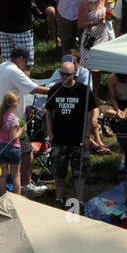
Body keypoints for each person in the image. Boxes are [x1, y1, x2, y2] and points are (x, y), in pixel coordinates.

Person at [45, 57, 94, 207]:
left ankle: (79, 200)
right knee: (59, 171)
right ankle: (59, 199)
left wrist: (87, 135)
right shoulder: (55, 90)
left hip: (78, 138)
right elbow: (48, 112)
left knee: (79, 172)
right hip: (59, 138)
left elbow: (91, 112)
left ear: (74, 74)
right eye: (62, 74)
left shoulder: (83, 90)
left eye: (68, 74)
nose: (65, 77)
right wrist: (50, 132)